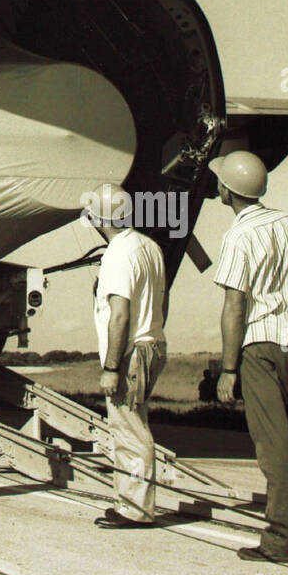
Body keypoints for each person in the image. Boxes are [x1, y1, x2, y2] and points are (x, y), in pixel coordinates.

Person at [211, 150, 288, 562]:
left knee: (274, 448)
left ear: (228, 189)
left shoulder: (238, 236)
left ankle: (282, 540)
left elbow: (235, 306)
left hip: (260, 348)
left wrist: (229, 369)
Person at [85, 183, 168, 530]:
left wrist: (111, 367)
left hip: (130, 352)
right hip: (153, 343)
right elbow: (163, 302)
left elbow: (119, 314)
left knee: (129, 431)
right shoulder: (150, 247)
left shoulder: (118, 254)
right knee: (135, 424)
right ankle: (131, 502)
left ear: (96, 216)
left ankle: (136, 509)